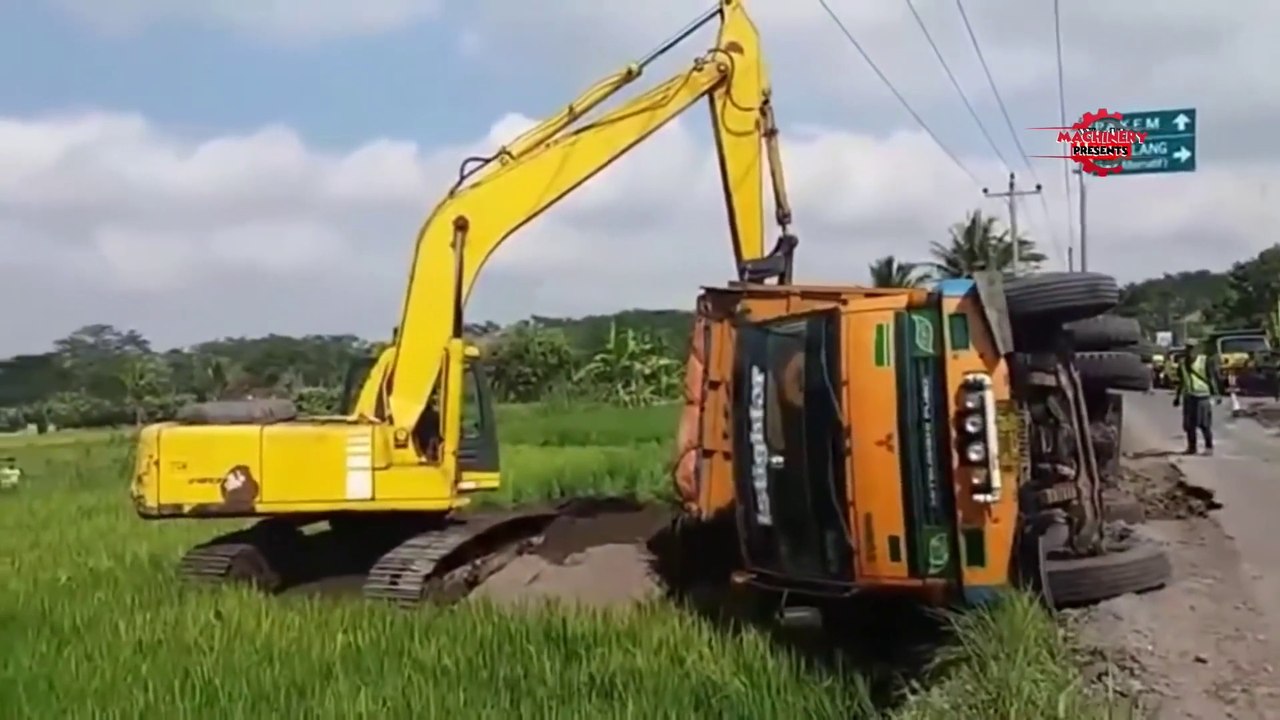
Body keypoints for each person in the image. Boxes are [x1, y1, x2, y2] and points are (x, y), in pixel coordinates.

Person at [1172, 340, 1221, 455]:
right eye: (1188, 348)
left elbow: (1211, 378)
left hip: (1203, 396)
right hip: (1189, 396)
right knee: (1189, 425)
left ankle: (1209, 447)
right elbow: (1181, 381)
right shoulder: (1182, 363)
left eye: (1192, 348)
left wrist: (1216, 394)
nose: (1190, 351)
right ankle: (1192, 447)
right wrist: (1177, 397)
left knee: (1204, 424)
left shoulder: (1205, 361)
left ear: (1198, 349)